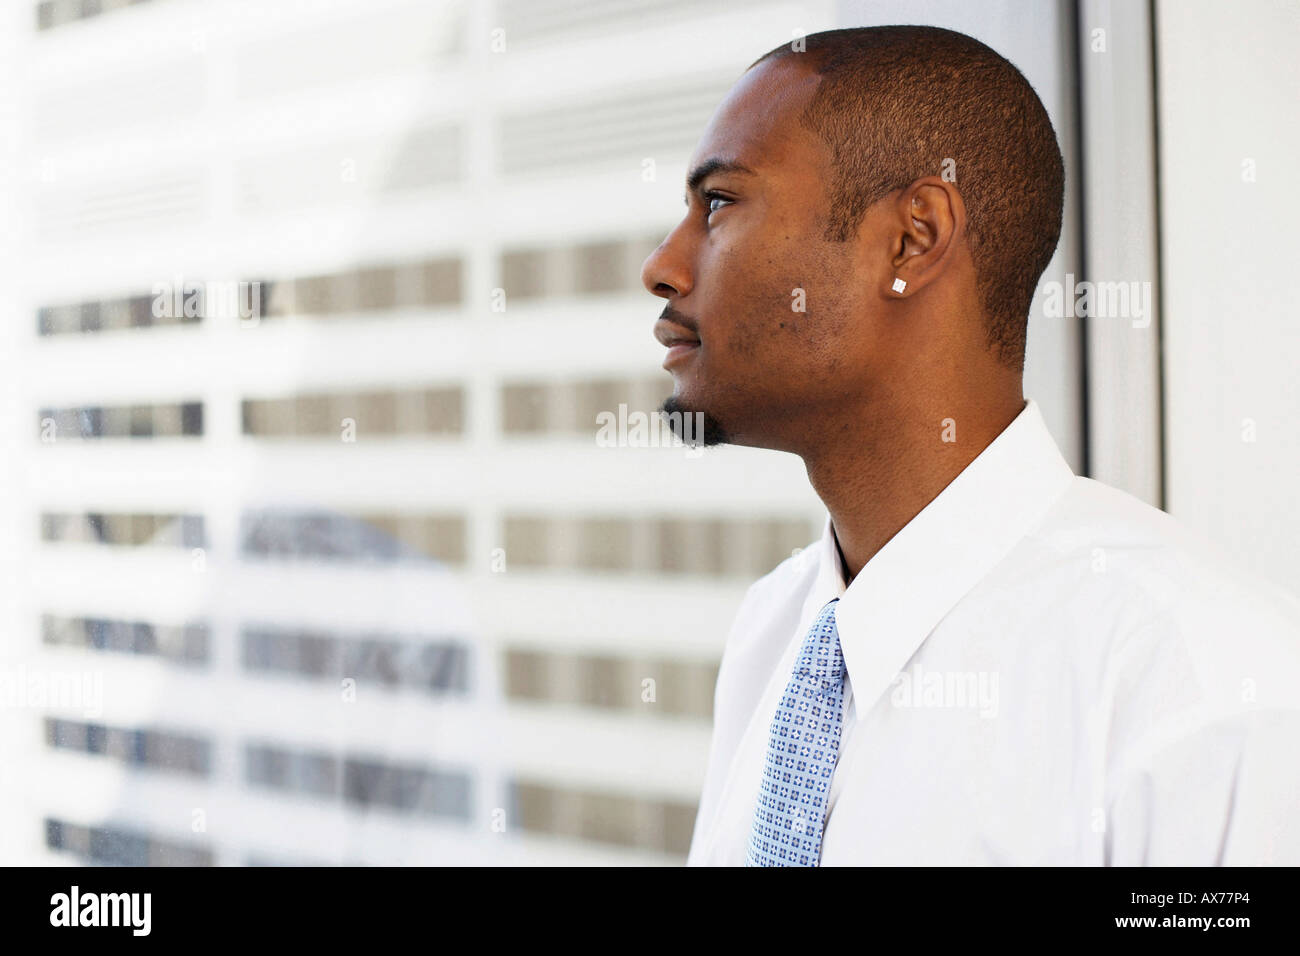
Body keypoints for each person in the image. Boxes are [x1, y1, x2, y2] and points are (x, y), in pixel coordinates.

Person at [640, 25, 1300, 866]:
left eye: (720, 203)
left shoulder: (1202, 689)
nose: (662, 266)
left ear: (914, 239)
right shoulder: (775, 631)